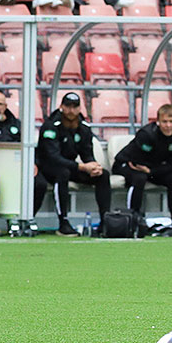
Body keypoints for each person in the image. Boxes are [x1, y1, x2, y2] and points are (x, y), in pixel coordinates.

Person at [33, 92, 111, 237]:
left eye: (75, 107)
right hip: (48, 167)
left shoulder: (83, 127)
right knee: (62, 173)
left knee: (103, 175)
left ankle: (105, 221)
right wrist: (81, 167)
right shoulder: (51, 126)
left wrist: (93, 165)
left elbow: (86, 153)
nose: (71, 110)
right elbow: (52, 157)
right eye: (68, 106)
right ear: (62, 107)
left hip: (70, 166)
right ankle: (63, 222)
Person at [112, 104, 172, 227]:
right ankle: (134, 218)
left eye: (171, 121)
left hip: (151, 168)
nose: (168, 126)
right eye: (164, 122)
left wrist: (152, 171)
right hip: (127, 164)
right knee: (139, 178)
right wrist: (151, 169)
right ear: (158, 121)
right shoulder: (146, 134)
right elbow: (136, 160)